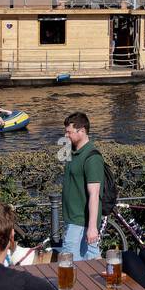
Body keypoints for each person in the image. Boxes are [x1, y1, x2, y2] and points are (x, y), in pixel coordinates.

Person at [60, 112, 104, 261]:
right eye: (65, 132)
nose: (65, 136)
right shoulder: (72, 151)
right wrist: (68, 138)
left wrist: (92, 227)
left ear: (82, 131)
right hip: (72, 219)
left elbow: (94, 194)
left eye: (69, 132)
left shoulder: (92, 158)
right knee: (92, 262)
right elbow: (61, 153)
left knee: (68, 263)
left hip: (80, 222)